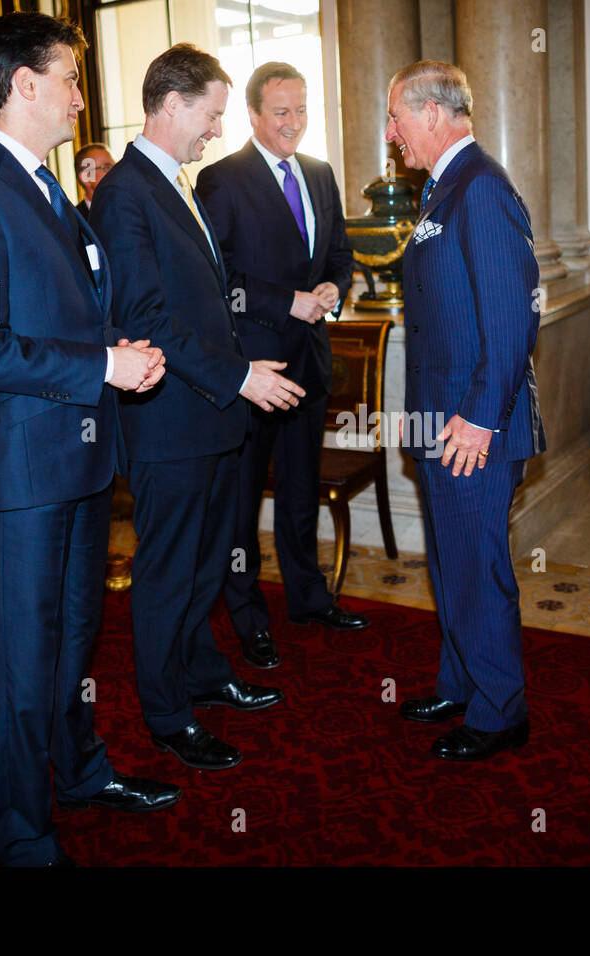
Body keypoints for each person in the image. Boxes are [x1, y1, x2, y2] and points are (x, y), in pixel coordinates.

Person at [0, 11, 180, 867]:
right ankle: (22, 834)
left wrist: (117, 353)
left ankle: (80, 771)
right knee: (26, 659)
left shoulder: (47, 186)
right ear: (22, 84)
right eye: (69, 78)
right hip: (26, 468)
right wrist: (99, 368)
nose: (80, 96)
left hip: (77, 455)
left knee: (73, 641)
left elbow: (73, 313)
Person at [89, 43, 296, 772]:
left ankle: (204, 673)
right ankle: (167, 715)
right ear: (171, 104)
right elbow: (146, 319)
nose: (216, 129)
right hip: (168, 421)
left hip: (208, 413)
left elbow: (203, 303)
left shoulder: (173, 182)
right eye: (210, 114)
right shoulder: (123, 193)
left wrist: (240, 369)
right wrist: (239, 377)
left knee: (207, 564)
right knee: (169, 574)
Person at [383, 60, 543, 761]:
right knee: (450, 565)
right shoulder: (442, 188)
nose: (391, 135)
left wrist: (479, 418)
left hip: (472, 428)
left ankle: (500, 710)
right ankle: (461, 682)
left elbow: (510, 320)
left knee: (478, 569)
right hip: (440, 423)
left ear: (429, 112)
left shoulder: (479, 189)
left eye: (395, 119)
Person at [196, 62, 367, 671]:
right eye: (280, 112)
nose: (293, 122)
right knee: (241, 505)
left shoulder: (319, 174)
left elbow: (341, 253)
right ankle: (247, 617)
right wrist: (284, 300)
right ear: (253, 115)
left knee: (299, 494)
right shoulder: (221, 180)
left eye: (300, 110)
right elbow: (216, 281)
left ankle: (308, 598)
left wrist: (331, 288)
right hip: (251, 370)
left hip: (309, 365)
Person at [73, 142, 114, 220]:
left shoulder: (129, 210)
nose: (115, 172)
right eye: (106, 167)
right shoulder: (74, 222)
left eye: (115, 166)